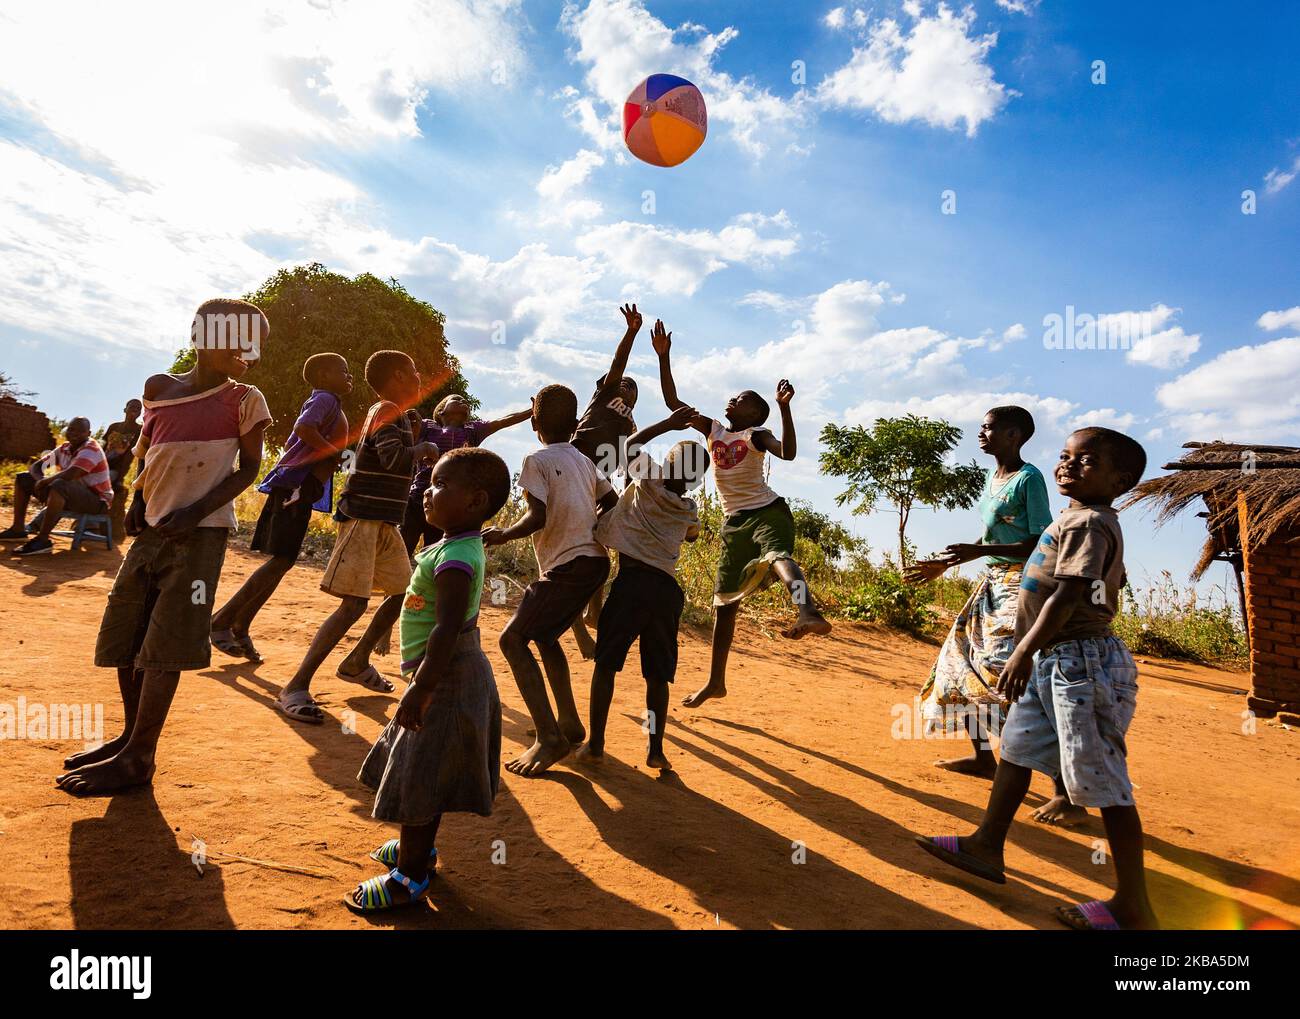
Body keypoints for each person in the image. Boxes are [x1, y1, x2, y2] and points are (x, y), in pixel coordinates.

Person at [916, 427, 1159, 931]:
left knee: (1105, 780)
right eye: (1066, 456)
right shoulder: (1077, 518)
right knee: (1020, 750)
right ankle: (986, 844)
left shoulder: (1089, 523)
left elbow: (1068, 595)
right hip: (1053, 659)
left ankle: (1133, 904)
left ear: (1122, 480)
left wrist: (1021, 649)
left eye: (1087, 460)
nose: (1069, 465)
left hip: (1080, 663)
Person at [55, 298, 272, 795]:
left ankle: (140, 757)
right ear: (205, 337)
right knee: (128, 632)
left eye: (254, 344)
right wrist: (134, 494)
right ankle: (130, 739)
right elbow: (148, 448)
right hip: (154, 526)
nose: (249, 352)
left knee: (167, 641)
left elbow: (248, 468)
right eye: (241, 339)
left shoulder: (245, 399)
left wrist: (194, 512)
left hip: (200, 536)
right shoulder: (159, 389)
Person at [345, 447, 512, 913]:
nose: (426, 493)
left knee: (420, 775)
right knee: (426, 768)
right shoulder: (450, 545)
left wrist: (421, 688)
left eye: (440, 485)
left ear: (476, 502)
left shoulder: (457, 556)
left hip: (448, 678)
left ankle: (411, 876)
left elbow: (448, 626)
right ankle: (417, 851)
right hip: (443, 673)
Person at [904, 407, 1086, 819]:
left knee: (1006, 676)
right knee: (958, 663)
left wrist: (980, 551)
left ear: (1013, 434)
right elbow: (991, 538)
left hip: (1020, 587)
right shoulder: (995, 478)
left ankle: (1066, 792)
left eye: (988, 428)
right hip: (991, 584)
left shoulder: (1030, 478)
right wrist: (950, 562)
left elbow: (1039, 541)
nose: (981, 433)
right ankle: (984, 757)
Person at [652, 318, 831, 710]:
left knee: (779, 557)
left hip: (768, 512)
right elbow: (673, 405)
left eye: (742, 399)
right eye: (733, 397)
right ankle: (716, 682)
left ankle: (806, 609)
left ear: (755, 414)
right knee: (724, 603)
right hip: (735, 522)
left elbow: (788, 453)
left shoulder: (756, 437)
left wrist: (785, 409)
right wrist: (664, 357)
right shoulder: (714, 430)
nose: (733, 400)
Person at [276, 350, 439, 722]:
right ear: (398, 376)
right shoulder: (384, 410)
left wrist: (411, 439)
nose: (418, 377)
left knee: (403, 592)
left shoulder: (390, 415)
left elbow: (393, 454)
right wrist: (422, 448)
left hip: (383, 522)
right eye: (414, 370)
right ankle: (295, 685)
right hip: (363, 518)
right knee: (353, 604)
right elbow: (393, 459)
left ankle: (357, 660)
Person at [482, 384, 616, 777]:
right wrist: (587, 523)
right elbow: (612, 500)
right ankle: (569, 724)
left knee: (511, 639)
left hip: (569, 565)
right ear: (575, 425)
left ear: (534, 422)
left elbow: (536, 517)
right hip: (593, 563)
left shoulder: (536, 459)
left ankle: (549, 737)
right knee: (543, 637)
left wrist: (503, 533)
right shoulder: (584, 461)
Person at [576, 405, 707, 772]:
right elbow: (693, 537)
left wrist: (667, 423)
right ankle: (655, 750)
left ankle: (596, 745)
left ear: (667, 464)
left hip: (632, 584)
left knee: (606, 665)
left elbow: (626, 446)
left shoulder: (649, 480)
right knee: (657, 677)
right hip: (666, 593)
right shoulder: (690, 508)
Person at [209, 352, 353, 662]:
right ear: (324, 376)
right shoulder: (326, 398)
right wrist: (334, 454)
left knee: (283, 561)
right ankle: (221, 621)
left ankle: (240, 627)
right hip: (294, 487)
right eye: (343, 370)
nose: (349, 375)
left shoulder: (329, 401)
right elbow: (304, 429)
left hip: (300, 487)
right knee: (279, 561)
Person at [566, 303, 644, 658]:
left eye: (632, 389)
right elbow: (619, 365)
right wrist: (631, 333)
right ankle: (583, 620)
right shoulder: (604, 394)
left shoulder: (629, 424)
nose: (626, 387)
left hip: (596, 479)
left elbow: (628, 460)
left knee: (601, 544)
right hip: (575, 462)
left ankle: (593, 609)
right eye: (623, 384)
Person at [401, 393, 532, 555]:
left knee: (431, 553)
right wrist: (409, 420)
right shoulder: (428, 427)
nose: (464, 402)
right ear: (442, 411)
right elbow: (407, 433)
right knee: (401, 549)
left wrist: (530, 412)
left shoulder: (473, 430)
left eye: (465, 401)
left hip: (446, 505)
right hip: (418, 498)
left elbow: (502, 422)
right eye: (457, 400)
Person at [2, 417, 114, 556]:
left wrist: (44, 482)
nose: (74, 433)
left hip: (97, 501)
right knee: (23, 478)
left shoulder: (92, 449)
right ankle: (18, 530)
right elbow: (37, 466)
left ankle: (42, 541)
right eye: (71, 429)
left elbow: (71, 474)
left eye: (80, 431)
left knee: (60, 484)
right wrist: (40, 480)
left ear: (88, 433)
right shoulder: (64, 448)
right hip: (70, 493)